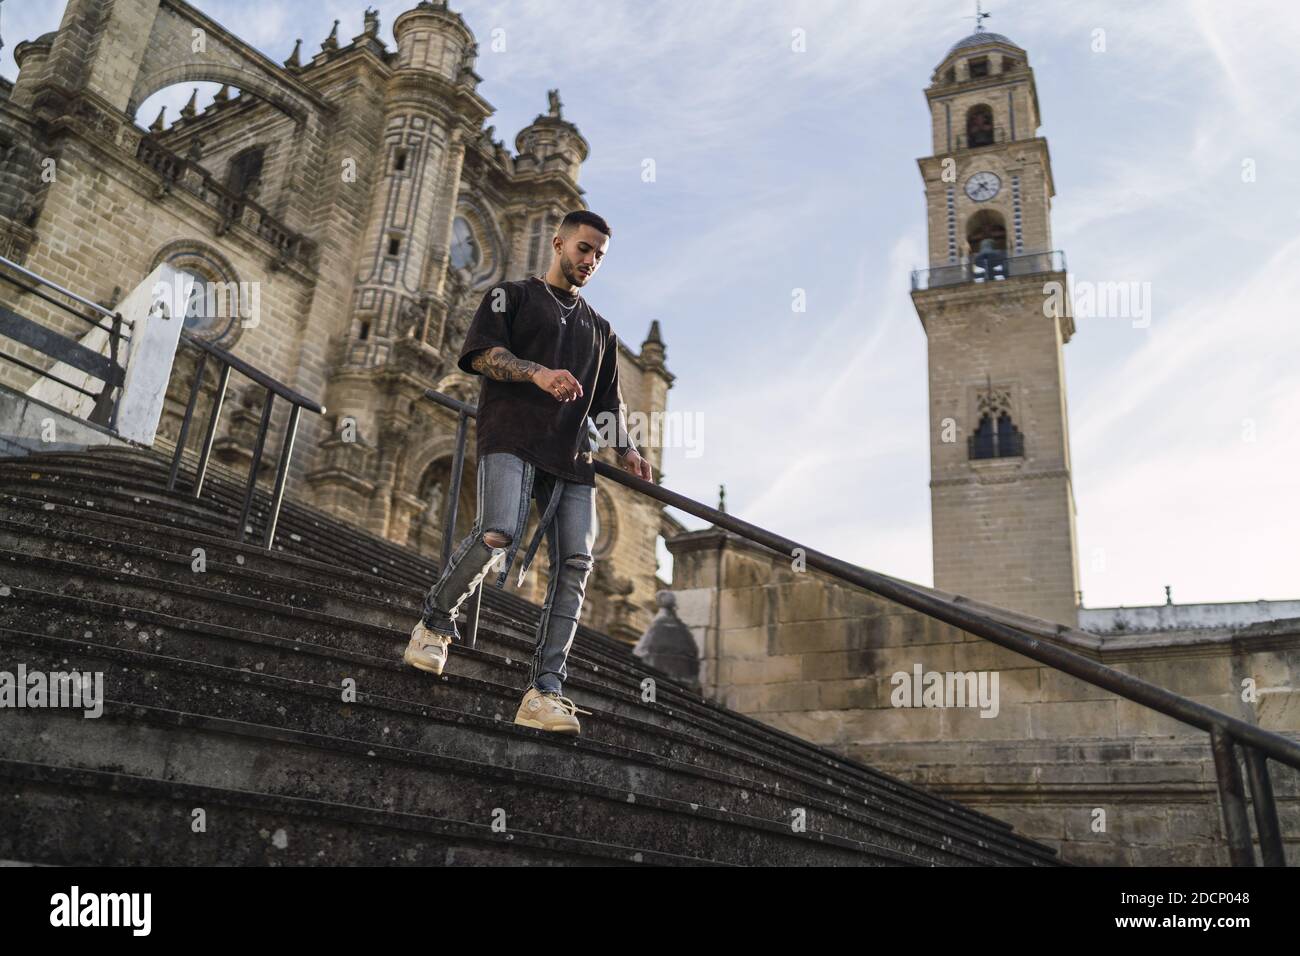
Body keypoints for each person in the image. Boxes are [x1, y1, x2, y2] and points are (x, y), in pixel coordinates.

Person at [404, 210, 653, 735]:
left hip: (573, 457)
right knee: (498, 532)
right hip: (512, 434)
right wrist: (537, 374)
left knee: (577, 564)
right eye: (584, 249)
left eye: (600, 257)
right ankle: (433, 625)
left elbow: (608, 404)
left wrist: (627, 450)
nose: (590, 262)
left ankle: (544, 691)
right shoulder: (511, 296)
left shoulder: (601, 331)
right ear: (559, 243)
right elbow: (480, 355)